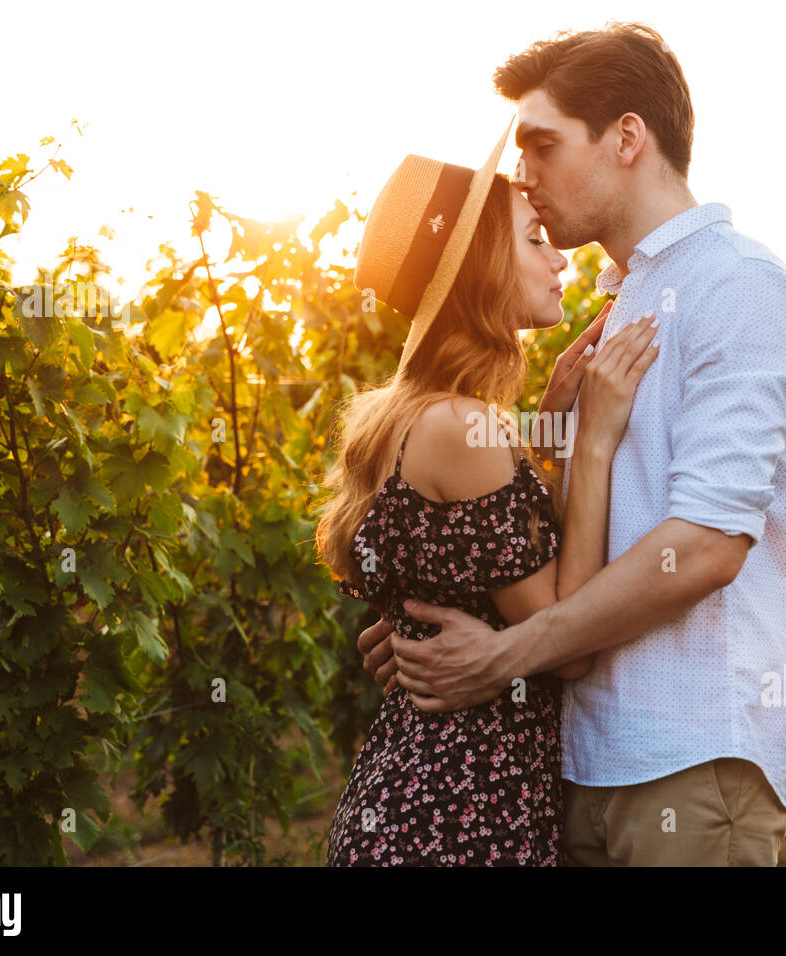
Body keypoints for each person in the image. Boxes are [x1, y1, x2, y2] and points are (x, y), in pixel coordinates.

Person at [358, 22, 786, 866]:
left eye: (540, 145)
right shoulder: (621, 303)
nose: (522, 175)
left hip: (687, 759)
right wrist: (435, 618)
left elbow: (711, 546)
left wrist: (500, 655)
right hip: (575, 760)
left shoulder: (738, 286)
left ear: (626, 137)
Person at [314, 120, 660, 865]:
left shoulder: (430, 416)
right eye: (535, 239)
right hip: (455, 818)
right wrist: (592, 441)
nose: (561, 257)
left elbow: (483, 574)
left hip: (423, 802)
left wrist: (551, 442)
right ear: (481, 266)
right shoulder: (457, 427)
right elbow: (565, 644)